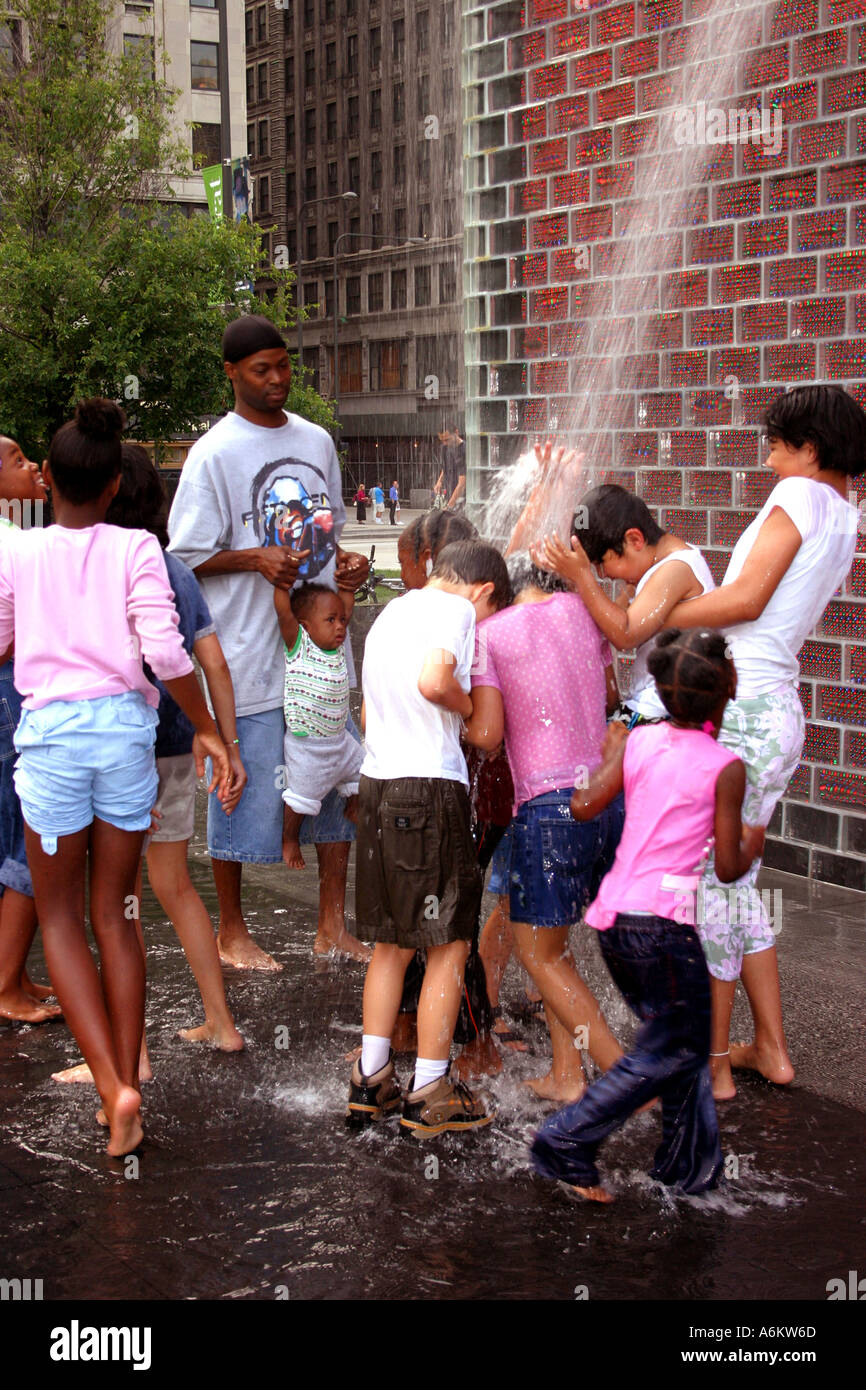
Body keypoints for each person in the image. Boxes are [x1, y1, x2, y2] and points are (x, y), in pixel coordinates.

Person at [0, 399, 232, 1157]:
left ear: (50, 483)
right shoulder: (135, 548)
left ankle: (114, 1087)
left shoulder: (21, 556)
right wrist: (202, 725)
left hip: (54, 753)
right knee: (119, 915)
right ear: (107, 489)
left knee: (59, 917)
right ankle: (129, 1073)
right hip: (126, 749)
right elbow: (167, 656)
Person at [665, 385, 866, 1100]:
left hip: (746, 709)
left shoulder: (805, 498)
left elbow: (747, 598)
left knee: (708, 887)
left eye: (777, 443)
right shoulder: (846, 513)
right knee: (739, 881)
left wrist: (663, 611)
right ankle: (771, 1050)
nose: (769, 457)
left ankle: (712, 1065)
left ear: (810, 449)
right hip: (776, 709)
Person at [530, 629, 765, 1201]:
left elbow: (584, 805)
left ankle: (686, 1170)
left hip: (618, 922)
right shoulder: (725, 767)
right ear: (728, 689)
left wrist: (612, 753)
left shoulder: (640, 743)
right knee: (676, 1049)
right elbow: (730, 868)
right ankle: (564, 1141)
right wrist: (755, 841)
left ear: (660, 691)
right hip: (665, 929)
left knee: (682, 1045)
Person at [168, 315, 371, 969]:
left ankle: (332, 924)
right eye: (263, 369)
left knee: (338, 781)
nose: (278, 379)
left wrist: (347, 569)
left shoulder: (315, 442)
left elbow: (328, 534)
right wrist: (253, 558)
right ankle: (231, 931)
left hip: (321, 658)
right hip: (247, 659)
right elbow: (182, 560)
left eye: (284, 366)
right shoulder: (213, 455)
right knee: (242, 786)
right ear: (231, 374)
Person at [347, 540, 512, 1134]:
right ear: (485, 590)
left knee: (391, 942)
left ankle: (371, 1081)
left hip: (376, 784)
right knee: (449, 942)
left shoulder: (392, 610)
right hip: (427, 791)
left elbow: (366, 715)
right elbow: (435, 681)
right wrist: (467, 710)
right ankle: (432, 1089)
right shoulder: (457, 610)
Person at [464, 552, 624, 1103]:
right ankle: (566, 1073)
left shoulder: (491, 634)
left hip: (548, 809)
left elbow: (487, 734)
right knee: (554, 948)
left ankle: (631, 1083)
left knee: (541, 955)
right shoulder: (585, 613)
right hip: (604, 800)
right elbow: (608, 697)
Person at [105, 444, 245, 1052]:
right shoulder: (175, 570)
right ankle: (222, 1023)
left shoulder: (102, 565)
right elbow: (212, 661)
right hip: (179, 745)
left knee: (119, 899)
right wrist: (224, 741)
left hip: (122, 748)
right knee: (175, 885)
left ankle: (131, 1059)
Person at [532, 484, 715, 724]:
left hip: (665, 711)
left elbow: (625, 634)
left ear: (634, 539)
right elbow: (611, 617)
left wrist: (582, 577)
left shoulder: (676, 568)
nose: (603, 574)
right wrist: (572, 579)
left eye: (601, 563)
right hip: (654, 704)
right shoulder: (654, 567)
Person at [0, 435, 60, 1024]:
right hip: (11, 695)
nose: (31, 468)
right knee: (28, 838)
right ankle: (6, 987)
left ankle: (14, 973)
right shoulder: (18, 545)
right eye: (17, 461)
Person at [275, 580, 363, 870]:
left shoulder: (335, 648)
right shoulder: (299, 647)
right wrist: (280, 586)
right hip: (308, 748)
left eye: (341, 620)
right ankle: (289, 838)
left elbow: (347, 609)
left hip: (340, 742)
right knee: (300, 797)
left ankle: (353, 805)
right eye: (330, 620)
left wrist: (348, 589)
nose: (340, 626)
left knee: (367, 769)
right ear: (306, 626)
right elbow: (283, 613)